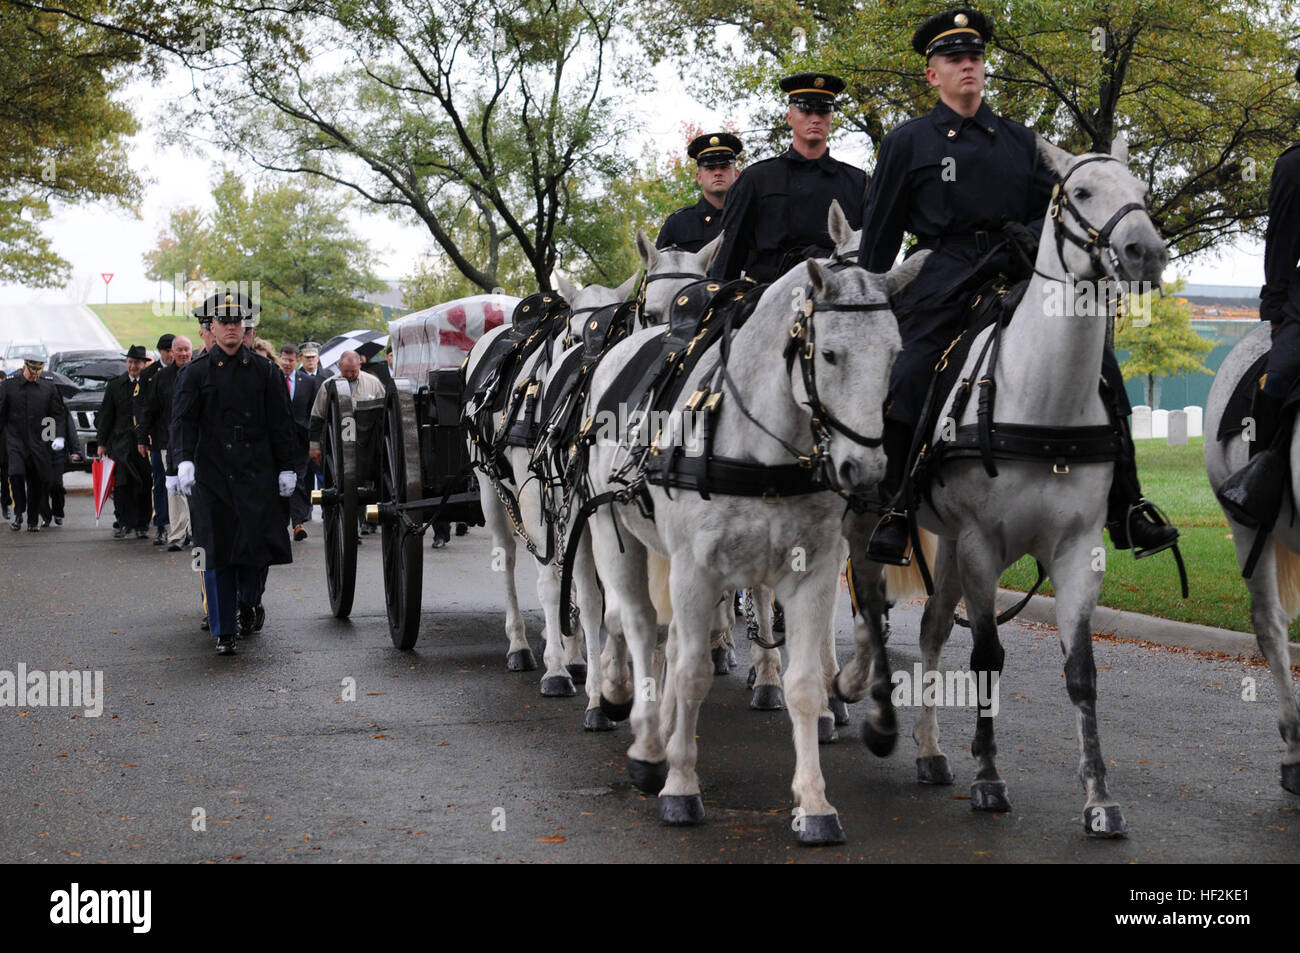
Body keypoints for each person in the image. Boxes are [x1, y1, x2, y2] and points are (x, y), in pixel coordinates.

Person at [858, 7, 1178, 563]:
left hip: (1018, 274)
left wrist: (1023, 234)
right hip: (942, 277)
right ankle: (897, 506)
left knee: (1101, 367)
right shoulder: (907, 143)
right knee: (910, 372)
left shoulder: (1020, 143)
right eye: (954, 59)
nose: (968, 67)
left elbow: (1059, 214)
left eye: (975, 57)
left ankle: (1128, 505)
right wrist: (871, 294)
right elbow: (880, 239)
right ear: (932, 74)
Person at [172, 291, 296, 655]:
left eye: (237, 323)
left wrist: (286, 467)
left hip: (256, 473)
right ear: (212, 327)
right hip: (212, 475)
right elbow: (183, 421)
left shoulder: (264, 371)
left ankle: (248, 601)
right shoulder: (196, 373)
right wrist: (183, 460)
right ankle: (223, 630)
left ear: (245, 330)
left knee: (253, 551)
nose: (231, 329)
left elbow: (281, 424)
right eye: (224, 323)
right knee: (215, 552)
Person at [710, 73, 867, 282]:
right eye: (806, 110)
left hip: (838, 293)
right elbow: (731, 251)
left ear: (831, 117)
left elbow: (872, 248)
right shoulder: (757, 179)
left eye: (823, 111)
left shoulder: (857, 182)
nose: (815, 118)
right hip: (766, 293)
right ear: (789, 117)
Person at [309, 351, 387, 539]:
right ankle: (350, 526)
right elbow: (317, 416)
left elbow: (385, 413)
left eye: (353, 371)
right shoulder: (328, 385)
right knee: (347, 482)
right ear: (339, 368)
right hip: (338, 443)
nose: (350, 375)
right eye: (346, 372)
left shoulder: (373, 383)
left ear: (360, 365)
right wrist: (314, 446)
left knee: (365, 479)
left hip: (367, 440)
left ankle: (366, 521)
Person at [0, 356, 67, 532]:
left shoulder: (47, 386)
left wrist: (56, 437)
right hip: (15, 439)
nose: (34, 376)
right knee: (16, 475)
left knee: (37, 480)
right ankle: (18, 513)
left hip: (39, 440)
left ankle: (32, 519)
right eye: (32, 372)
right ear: (25, 367)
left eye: (38, 372)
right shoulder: (9, 385)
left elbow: (56, 414)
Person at [140, 334, 193, 551]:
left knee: (196, 487)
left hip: (197, 441)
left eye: (186, 350)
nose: (182, 354)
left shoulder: (200, 372)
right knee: (174, 488)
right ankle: (178, 533)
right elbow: (149, 410)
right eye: (178, 350)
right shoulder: (161, 378)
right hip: (168, 441)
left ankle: (194, 530)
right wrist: (142, 437)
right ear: (171, 352)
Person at [96, 345, 153, 540]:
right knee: (121, 485)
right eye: (129, 362)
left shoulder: (149, 384)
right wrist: (102, 443)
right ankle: (123, 522)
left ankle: (142, 524)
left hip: (143, 443)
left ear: (143, 364)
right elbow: (106, 416)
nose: (132, 366)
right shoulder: (115, 386)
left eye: (136, 362)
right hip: (120, 443)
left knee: (144, 483)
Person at [656, 132, 743, 252]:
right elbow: (655, 268)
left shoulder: (751, 218)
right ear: (699, 178)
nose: (717, 173)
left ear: (737, 175)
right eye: (711, 168)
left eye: (724, 167)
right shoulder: (678, 224)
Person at [136, 333, 176, 544]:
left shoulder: (184, 370)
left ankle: (183, 524)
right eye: (167, 351)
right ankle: (161, 523)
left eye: (173, 350)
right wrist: (143, 436)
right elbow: (145, 407)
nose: (171, 354)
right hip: (158, 437)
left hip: (177, 436)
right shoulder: (150, 374)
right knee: (160, 480)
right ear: (160, 351)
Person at [279, 342, 320, 540]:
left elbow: (313, 413)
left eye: (290, 360)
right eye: (284, 359)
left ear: (297, 361)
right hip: (277, 439)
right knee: (278, 480)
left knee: (299, 480)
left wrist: (314, 442)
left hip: (300, 440)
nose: (287, 363)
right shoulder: (274, 379)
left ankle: (297, 523)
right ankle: (281, 522)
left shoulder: (308, 382)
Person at [41, 401, 82, 527]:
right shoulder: (32, 404)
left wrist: (75, 450)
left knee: (56, 484)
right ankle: (45, 516)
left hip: (57, 452)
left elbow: (70, 429)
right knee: (41, 485)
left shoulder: (61, 408)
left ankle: (58, 511)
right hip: (39, 451)